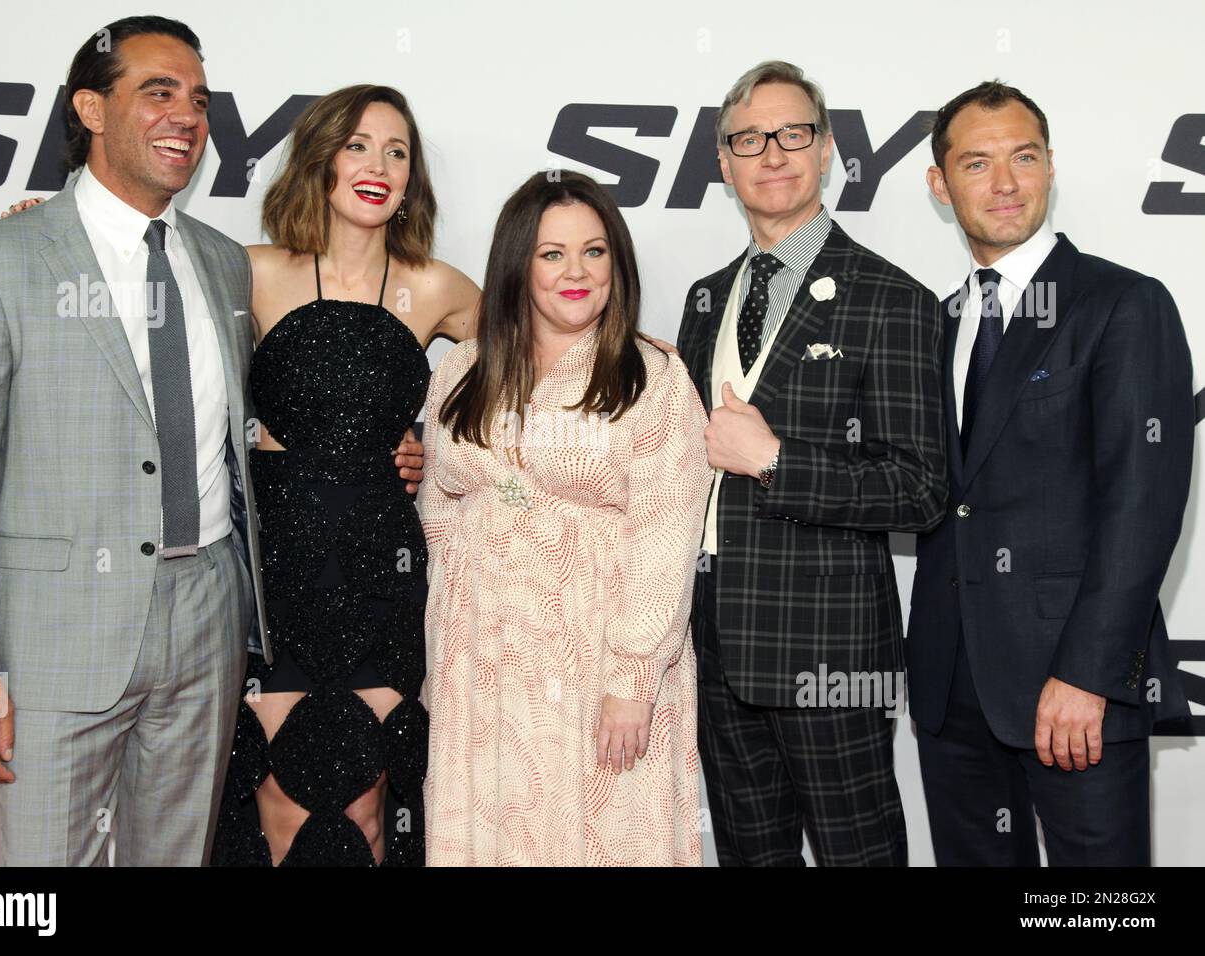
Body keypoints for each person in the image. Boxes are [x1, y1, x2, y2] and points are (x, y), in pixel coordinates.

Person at [0, 15, 267, 866]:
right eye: (158, 92)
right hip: (55, 632)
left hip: (206, 613)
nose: (187, 114)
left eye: (198, 98)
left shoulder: (224, 261)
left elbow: (224, 435)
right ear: (91, 109)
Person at [908, 81, 1194, 866]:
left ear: (1050, 168)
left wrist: (1087, 675)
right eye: (977, 163)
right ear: (940, 184)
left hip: (1072, 690)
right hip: (950, 692)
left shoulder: (1123, 304)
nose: (1005, 183)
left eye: (1023, 157)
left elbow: (1143, 507)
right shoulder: (936, 323)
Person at [676, 61, 946, 866]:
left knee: (857, 855)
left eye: (794, 134)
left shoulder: (892, 299)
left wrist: (775, 461)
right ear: (723, 162)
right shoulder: (703, 298)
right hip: (711, 641)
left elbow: (922, 489)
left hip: (828, 652)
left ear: (827, 150)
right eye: (749, 139)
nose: (773, 153)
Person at [209, 85, 478, 867]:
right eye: (358, 145)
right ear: (321, 158)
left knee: (368, 805)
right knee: (279, 803)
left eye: (398, 151)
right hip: (277, 572)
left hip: (381, 574)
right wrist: (40, 229)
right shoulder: (248, 271)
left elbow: (547, 352)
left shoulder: (433, 285)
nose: (379, 165)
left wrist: (436, 443)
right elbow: (133, 301)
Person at [419, 170, 710, 866]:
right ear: (519, 263)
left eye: (594, 251)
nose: (575, 272)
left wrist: (632, 681)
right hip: (482, 666)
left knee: (606, 837)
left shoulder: (653, 377)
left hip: (600, 665)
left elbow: (666, 538)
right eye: (552, 253)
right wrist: (446, 650)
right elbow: (438, 508)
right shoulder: (460, 370)